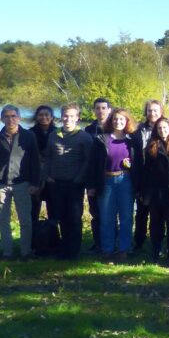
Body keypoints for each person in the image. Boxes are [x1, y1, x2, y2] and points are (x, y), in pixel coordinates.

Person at [42, 103, 99, 261]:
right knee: (60, 217)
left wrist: (79, 178)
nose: (68, 119)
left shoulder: (84, 137)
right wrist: (47, 176)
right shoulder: (53, 135)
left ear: (77, 118)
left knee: (74, 218)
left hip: (75, 183)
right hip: (56, 182)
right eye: (65, 116)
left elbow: (88, 161)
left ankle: (74, 251)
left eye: (72, 116)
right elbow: (48, 157)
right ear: (61, 117)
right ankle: (63, 248)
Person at [0, 105, 40, 260]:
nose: (10, 119)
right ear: (2, 119)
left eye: (13, 116)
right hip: (1, 184)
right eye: (7, 116)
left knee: (25, 220)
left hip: (22, 183)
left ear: (19, 118)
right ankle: (7, 252)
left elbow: (35, 161)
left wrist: (34, 183)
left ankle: (26, 252)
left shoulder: (28, 136)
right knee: (3, 220)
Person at [97, 108, 137, 261]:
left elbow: (138, 162)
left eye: (121, 119)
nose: (118, 122)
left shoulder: (132, 140)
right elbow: (95, 164)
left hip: (125, 180)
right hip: (107, 181)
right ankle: (107, 249)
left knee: (126, 217)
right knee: (107, 217)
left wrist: (131, 164)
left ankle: (123, 249)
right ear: (111, 121)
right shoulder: (102, 139)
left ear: (127, 121)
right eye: (115, 119)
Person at [143, 117, 169, 264]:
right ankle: (155, 251)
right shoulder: (151, 147)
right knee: (155, 223)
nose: (162, 130)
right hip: (155, 192)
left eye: (164, 127)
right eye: (159, 128)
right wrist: (146, 193)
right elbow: (146, 171)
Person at [131, 100, 166, 252]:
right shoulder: (137, 130)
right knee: (141, 212)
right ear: (146, 112)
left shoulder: (167, 128)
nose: (152, 113)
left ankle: (157, 243)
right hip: (142, 177)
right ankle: (138, 242)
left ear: (161, 112)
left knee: (159, 214)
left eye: (155, 110)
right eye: (150, 110)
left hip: (160, 179)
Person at [84, 97, 112, 250]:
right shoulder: (88, 130)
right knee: (95, 212)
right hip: (93, 176)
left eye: (103, 108)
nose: (100, 111)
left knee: (110, 212)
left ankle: (111, 241)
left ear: (109, 110)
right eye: (97, 108)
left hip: (110, 176)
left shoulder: (114, 128)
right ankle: (98, 242)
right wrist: (89, 184)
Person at [29, 105, 57, 254]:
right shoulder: (30, 133)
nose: (44, 117)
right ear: (36, 117)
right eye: (40, 115)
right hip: (35, 176)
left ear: (52, 117)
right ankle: (33, 243)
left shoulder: (58, 132)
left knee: (54, 212)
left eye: (47, 115)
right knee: (33, 212)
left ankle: (53, 242)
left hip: (53, 177)